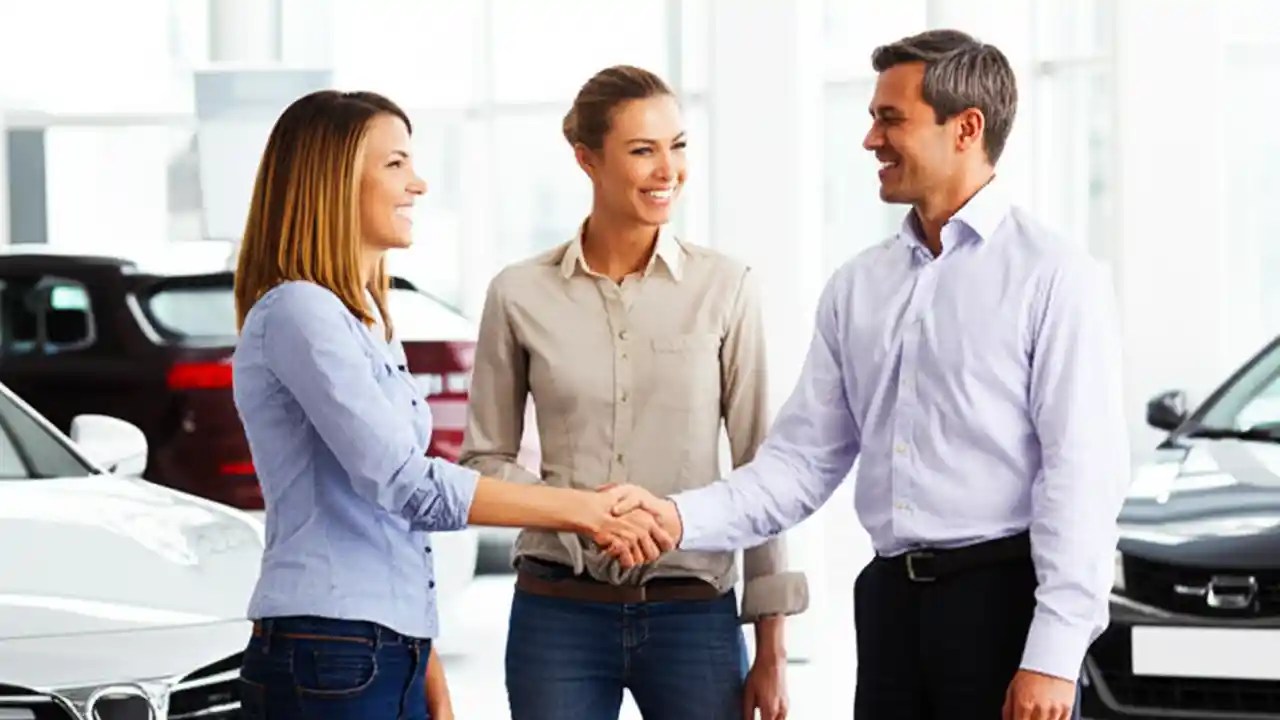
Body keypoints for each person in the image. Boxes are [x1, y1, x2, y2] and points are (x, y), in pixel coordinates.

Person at [608, 30, 1131, 720]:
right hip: (889, 608)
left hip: (1003, 604)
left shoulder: (1055, 277)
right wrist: (678, 517)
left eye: (891, 118)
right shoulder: (860, 286)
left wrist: (1052, 656)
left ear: (966, 128)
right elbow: (797, 464)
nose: (869, 140)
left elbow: (1082, 478)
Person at [230, 89, 673, 720]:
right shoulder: (300, 312)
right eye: (396, 164)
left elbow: (387, 525)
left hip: (380, 648)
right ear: (333, 180)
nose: (419, 184)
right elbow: (408, 486)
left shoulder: (364, 318)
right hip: (328, 649)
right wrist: (584, 512)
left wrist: (423, 657)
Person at [459, 65, 808, 720]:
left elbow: (764, 466)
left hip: (694, 616)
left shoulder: (726, 287)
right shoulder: (518, 293)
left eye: (678, 146)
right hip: (556, 615)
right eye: (643, 150)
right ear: (586, 159)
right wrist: (580, 511)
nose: (667, 170)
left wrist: (771, 650)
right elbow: (484, 462)